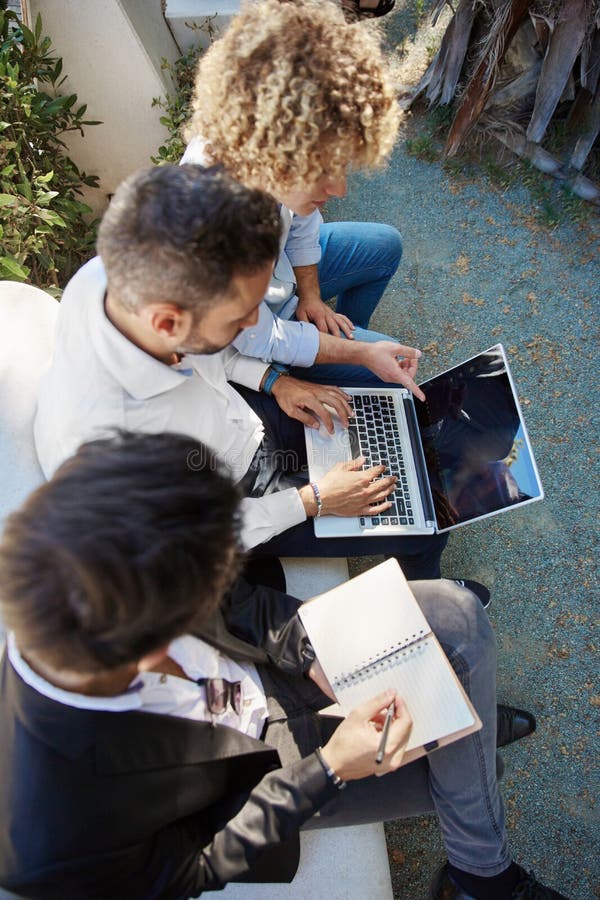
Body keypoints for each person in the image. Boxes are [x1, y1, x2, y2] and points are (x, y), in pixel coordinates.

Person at [0, 431, 565, 899]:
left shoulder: (99, 549)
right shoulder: (48, 843)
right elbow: (198, 865)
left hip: (269, 661)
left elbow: (237, 603)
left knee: (455, 612)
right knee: (477, 766)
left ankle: (478, 875)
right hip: (264, 770)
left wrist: (307, 647)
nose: (223, 583)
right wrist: (331, 769)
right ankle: (477, 829)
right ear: (152, 636)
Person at [34, 163, 447, 580]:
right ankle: (431, 607)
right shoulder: (110, 451)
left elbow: (211, 350)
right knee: (425, 530)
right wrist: (315, 499)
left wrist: (276, 380)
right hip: (236, 505)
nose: (254, 327)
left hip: (246, 419)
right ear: (168, 323)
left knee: (395, 445)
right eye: (239, 319)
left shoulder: (114, 283)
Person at [182, 0, 413, 387]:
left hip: (282, 287)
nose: (339, 189)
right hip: (256, 334)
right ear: (269, 149)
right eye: (322, 172)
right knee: (390, 366)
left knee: (385, 245)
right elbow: (253, 337)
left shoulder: (273, 145)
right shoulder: (208, 223)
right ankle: (342, 356)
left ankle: (348, 330)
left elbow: (303, 222)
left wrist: (311, 296)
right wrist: (355, 355)